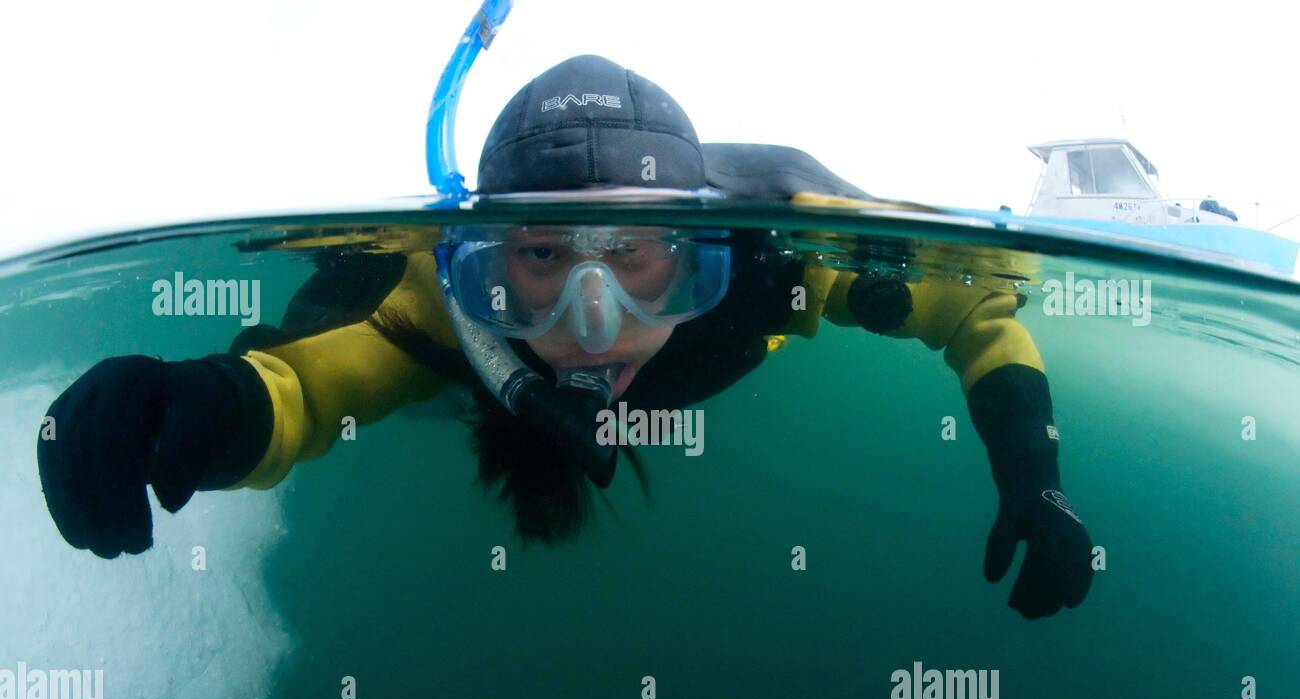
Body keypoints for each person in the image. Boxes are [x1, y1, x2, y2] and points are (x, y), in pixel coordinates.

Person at [37, 55, 1093, 619]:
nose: (596, 327)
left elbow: (976, 309)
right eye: (540, 261)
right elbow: (308, 384)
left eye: (639, 257)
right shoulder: (435, 295)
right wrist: (192, 403)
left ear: (710, 250)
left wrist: (1032, 478)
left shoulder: (790, 246)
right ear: (485, 267)